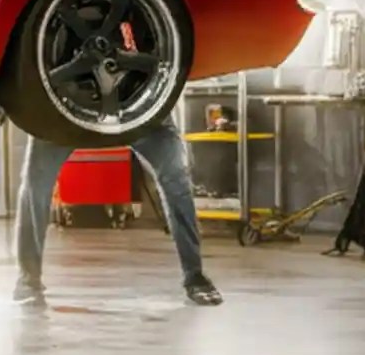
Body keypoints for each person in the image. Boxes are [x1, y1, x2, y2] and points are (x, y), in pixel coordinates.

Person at [12, 116, 224, 306]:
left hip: (139, 107)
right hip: (67, 112)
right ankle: (28, 279)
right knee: (35, 184)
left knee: (175, 176)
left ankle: (195, 275)